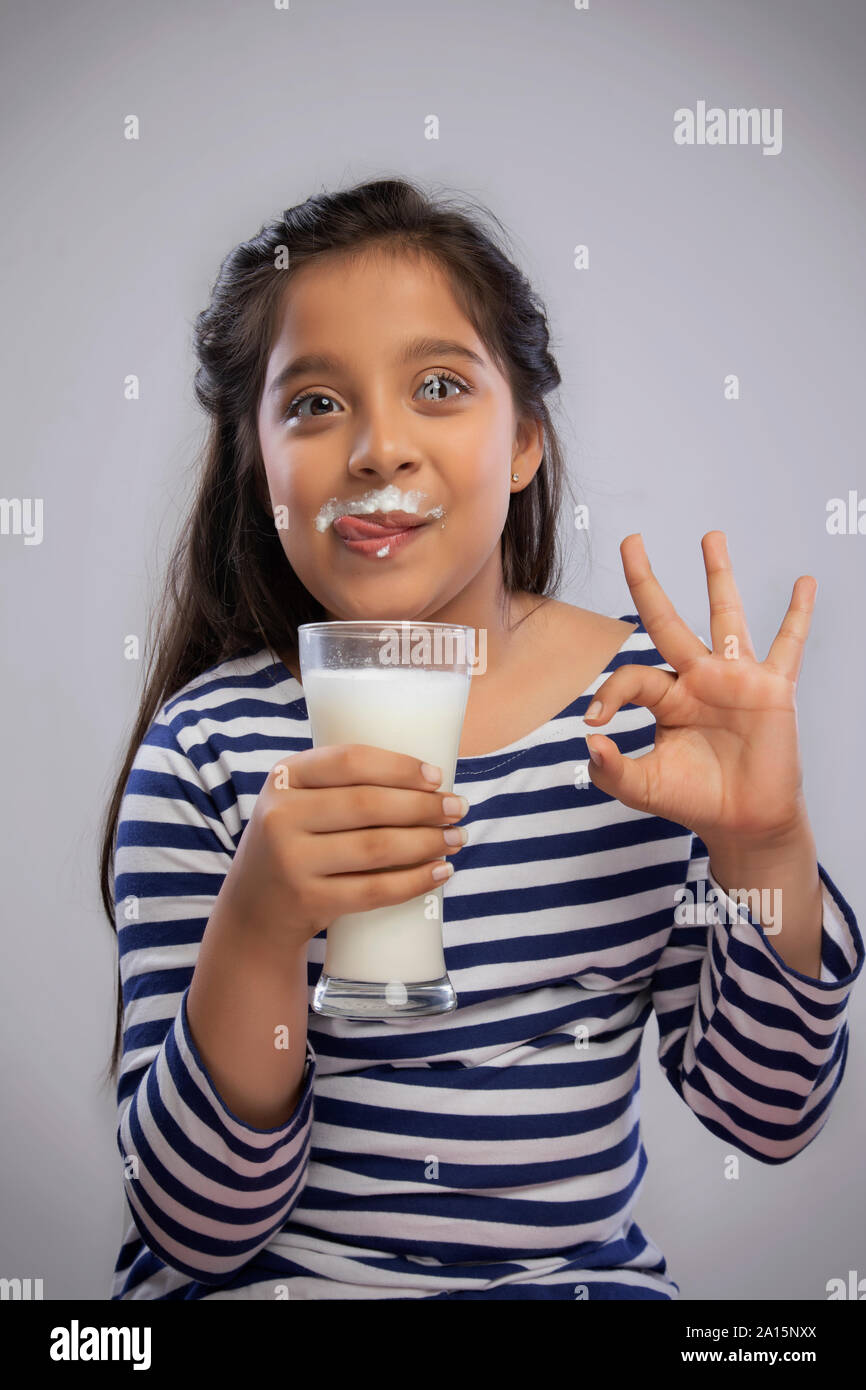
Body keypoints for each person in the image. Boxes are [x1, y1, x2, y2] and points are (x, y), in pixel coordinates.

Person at [101, 176, 863, 1300]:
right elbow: (196, 1228)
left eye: (440, 387)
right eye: (313, 404)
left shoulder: (644, 717)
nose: (376, 448)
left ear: (523, 444)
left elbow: (769, 1111)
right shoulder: (208, 748)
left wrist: (764, 849)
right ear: (256, 465)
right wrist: (259, 924)